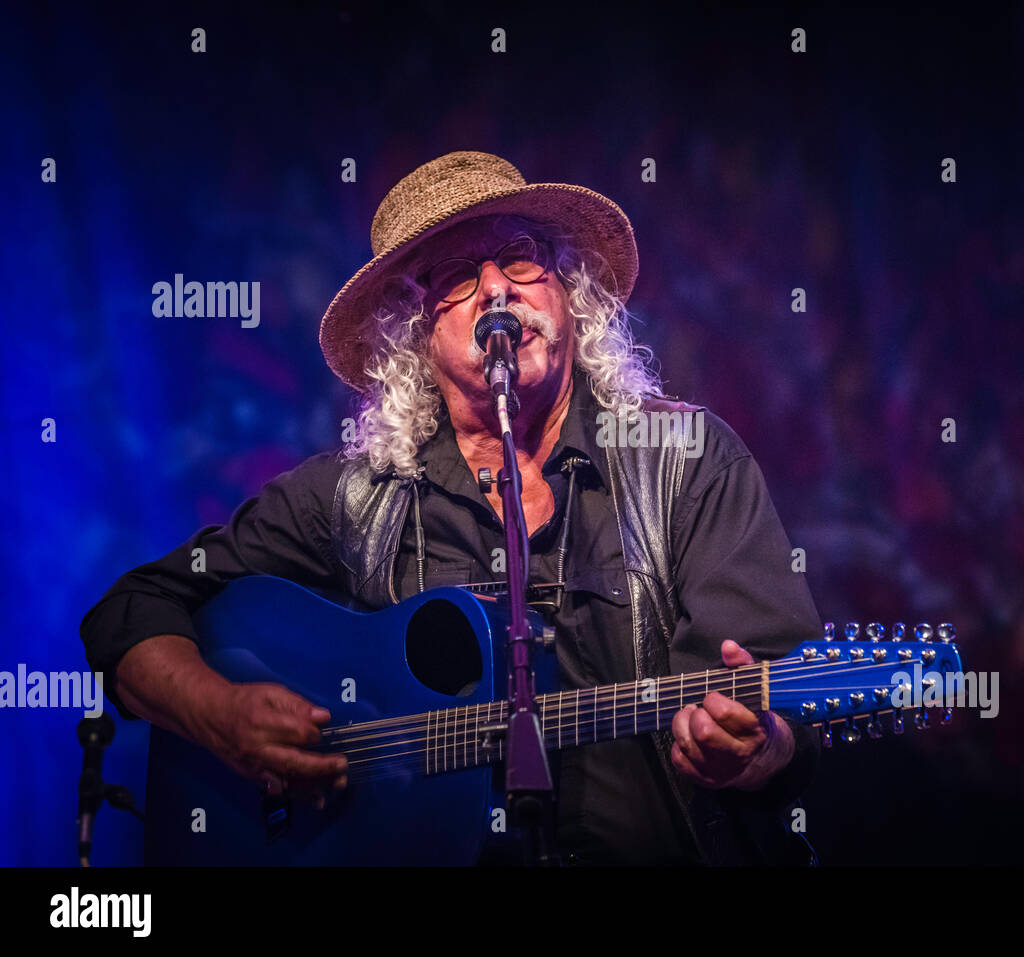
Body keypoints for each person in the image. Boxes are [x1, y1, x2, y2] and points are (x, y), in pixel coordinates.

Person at [81, 150, 823, 865]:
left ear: (569, 293)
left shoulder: (685, 457)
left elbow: (785, 702)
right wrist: (220, 715)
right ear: (413, 332)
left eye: (521, 256)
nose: (498, 288)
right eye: (458, 276)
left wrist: (757, 748)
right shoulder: (352, 498)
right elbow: (129, 610)